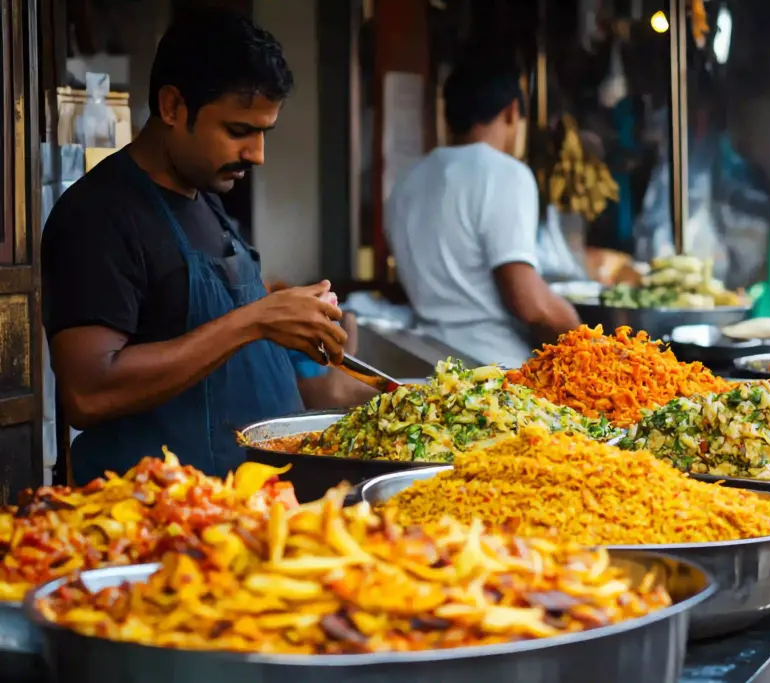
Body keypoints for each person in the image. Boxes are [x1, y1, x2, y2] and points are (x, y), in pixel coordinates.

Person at [42, 9, 375, 484]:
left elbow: (247, 355)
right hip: (162, 519)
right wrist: (256, 319)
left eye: (264, 133)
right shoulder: (98, 216)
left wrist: (297, 327)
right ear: (174, 107)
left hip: (254, 507)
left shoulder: (208, 203)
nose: (256, 154)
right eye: (239, 131)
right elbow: (88, 392)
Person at [384, 54, 580, 368]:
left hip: (427, 356)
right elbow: (528, 302)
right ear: (512, 112)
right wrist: (583, 333)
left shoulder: (407, 182)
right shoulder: (505, 173)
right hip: (494, 367)